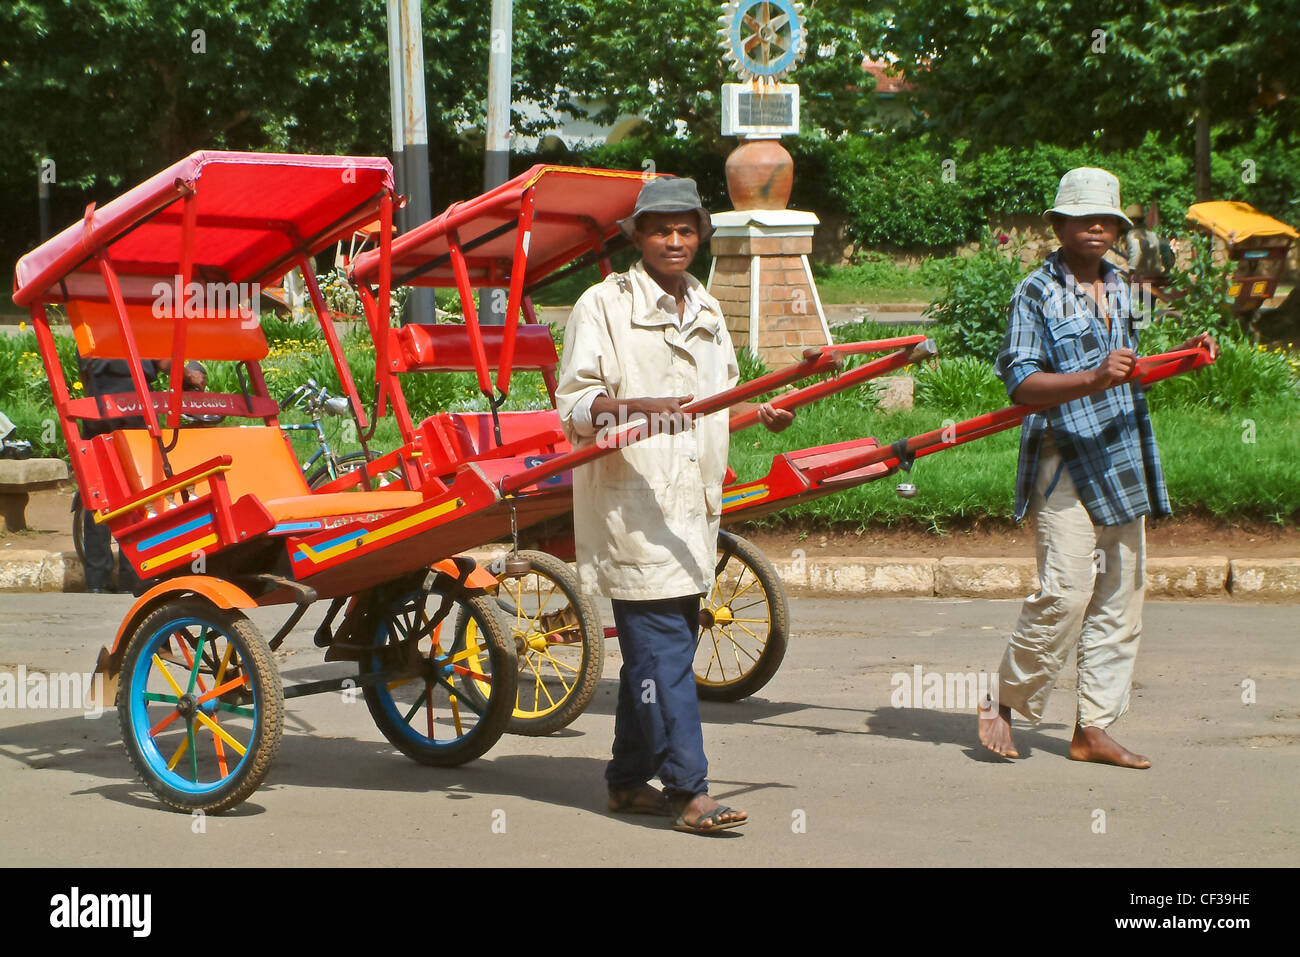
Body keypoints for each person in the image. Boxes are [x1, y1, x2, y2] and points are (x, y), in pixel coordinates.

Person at [556, 177, 792, 832]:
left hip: (691, 509)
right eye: (661, 228)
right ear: (637, 236)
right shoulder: (602, 306)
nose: (675, 240)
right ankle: (689, 790)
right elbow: (575, 406)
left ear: (700, 235)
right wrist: (637, 408)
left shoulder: (709, 311)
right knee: (663, 651)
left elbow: (721, 401)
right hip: (632, 512)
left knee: (665, 650)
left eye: (686, 228)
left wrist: (758, 413)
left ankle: (628, 780)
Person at [979, 167, 1217, 769]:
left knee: (1120, 595)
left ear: (1116, 228)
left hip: (1121, 452)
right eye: (1081, 217)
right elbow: (1021, 383)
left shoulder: (1125, 286)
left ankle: (1093, 729)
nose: (1095, 226)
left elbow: (1136, 362)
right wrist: (1090, 377)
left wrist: (1190, 356)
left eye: (1105, 218)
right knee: (1064, 592)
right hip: (1063, 459)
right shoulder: (1035, 290)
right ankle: (1006, 700)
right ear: (1057, 226)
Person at [77, 354, 207, 594]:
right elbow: (165, 362)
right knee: (138, 490)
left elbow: (84, 371)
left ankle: (97, 581)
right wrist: (191, 374)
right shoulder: (137, 323)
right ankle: (133, 576)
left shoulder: (90, 325)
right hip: (132, 403)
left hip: (95, 406)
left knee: (99, 491)